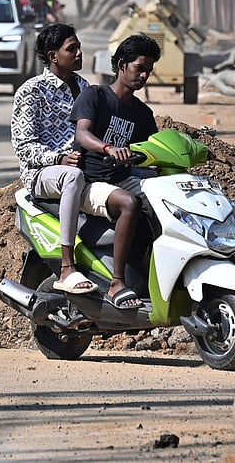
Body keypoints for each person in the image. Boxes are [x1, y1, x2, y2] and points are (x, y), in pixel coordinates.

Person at [10, 24, 140, 299]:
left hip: (86, 170)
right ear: (53, 56)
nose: (80, 53)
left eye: (79, 47)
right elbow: (23, 146)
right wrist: (59, 158)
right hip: (43, 174)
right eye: (72, 49)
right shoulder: (32, 91)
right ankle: (67, 267)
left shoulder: (86, 88)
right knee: (72, 177)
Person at [71, 33, 163, 309]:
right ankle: (116, 283)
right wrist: (108, 148)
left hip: (124, 178)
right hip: (91, 182)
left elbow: (151, 152)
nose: (144, 75)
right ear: (122, 65)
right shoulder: (95, 96)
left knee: (165, 200)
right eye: (139, 68)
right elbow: (82, 134)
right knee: (130, 203)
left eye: (148, 70)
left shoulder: (143, 114)